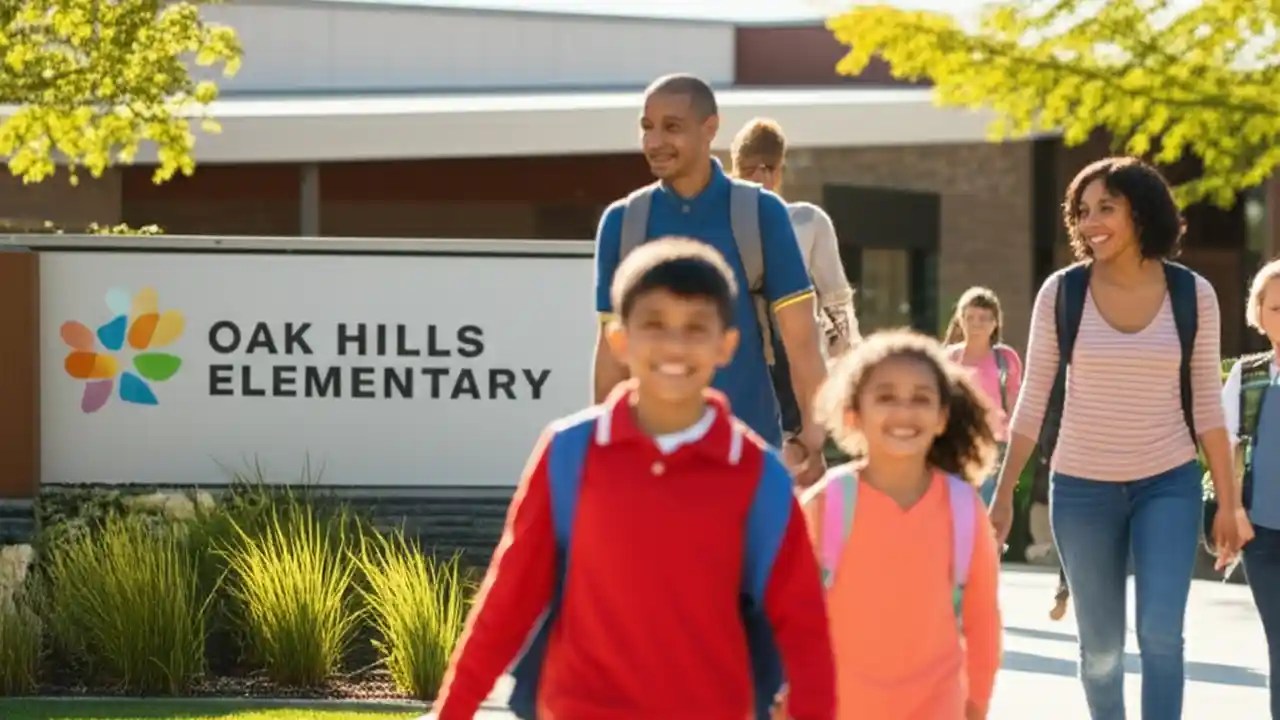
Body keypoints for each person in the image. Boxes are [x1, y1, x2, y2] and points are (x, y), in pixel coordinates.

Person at [432, 238, 837, 720]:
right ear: (621, 339)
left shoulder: (759, 474)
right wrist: (451, 712)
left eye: (695, 327)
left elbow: (805, 629)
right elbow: (510, 599)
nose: (674, 344)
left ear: (727, 345)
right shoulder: (569, 452)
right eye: (654, 325)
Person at [988, 156, 1250, 719]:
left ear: (1142, 210)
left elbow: (1208, 404)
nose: (1090, 223)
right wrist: (1004, 491)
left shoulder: (1193, 295)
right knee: (1102, 651)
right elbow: (1033, 400)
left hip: (1169, 482)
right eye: (1082, 211)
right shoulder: (1062, 294)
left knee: (1160, 634)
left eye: (1107, 207)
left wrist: (1228, 502)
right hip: (1083, 488)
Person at [593, 75, 830, 484]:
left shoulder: (760, 214)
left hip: (749, 455)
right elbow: (612, 352)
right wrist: (604, 445)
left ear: (710, 129)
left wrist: (813, 436)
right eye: (647, 127)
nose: (654, 142)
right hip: (650, 460)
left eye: (672, 126)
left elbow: (801, 339)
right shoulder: (623, 222)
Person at [789, 330, 1002, 719]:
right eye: (885, 397)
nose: (904, 411)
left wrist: (976, 706)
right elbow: (787, 616)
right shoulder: (826, 504)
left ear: (942, 418)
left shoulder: (963, 508)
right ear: (854, 413)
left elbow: (982, 619)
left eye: (921, 399)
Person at [729, 117, 860, 439]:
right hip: (737, 352)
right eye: (749, 169)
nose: (761, 177)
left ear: (780, 170)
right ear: (735, 170)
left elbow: (835, 301)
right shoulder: (719, 224)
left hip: (794, 353)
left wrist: (846, 371)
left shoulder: (808, 221)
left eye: (769, 167)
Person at [1222, 258, 1280, 717]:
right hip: (1262, 532)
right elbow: (1228, 451)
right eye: (1276, 307)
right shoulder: (1247, 376)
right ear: (1258, 313)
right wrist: (1233, 513)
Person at [943, 286, 1023, 505]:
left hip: (995, 444)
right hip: (956, 445)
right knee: (956, 508)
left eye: (984, 318)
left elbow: (1016, 404)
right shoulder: (948, 358)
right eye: (970, 317)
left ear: (995, 322)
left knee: (986, 511)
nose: (976, 324)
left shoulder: (1006, 359)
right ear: (960, 319)